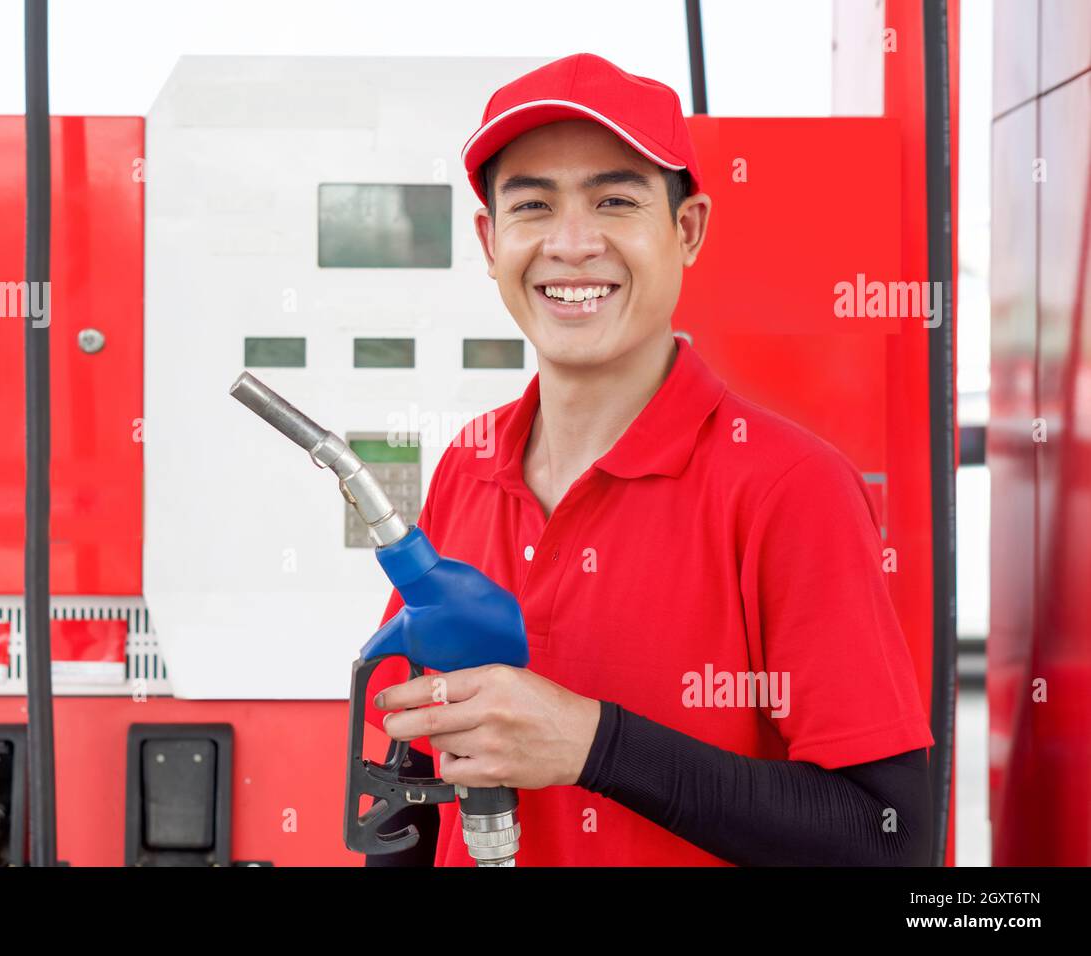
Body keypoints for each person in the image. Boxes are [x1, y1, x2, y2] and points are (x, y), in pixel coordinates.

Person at [364, 52, 933, 867]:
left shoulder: (787, 487)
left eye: (616, 200)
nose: (571, 244)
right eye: (532, 205)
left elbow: (891, 839)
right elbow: (414, 768)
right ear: (491, 242)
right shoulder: (471, 460)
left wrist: (595, 746)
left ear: (687, 229)